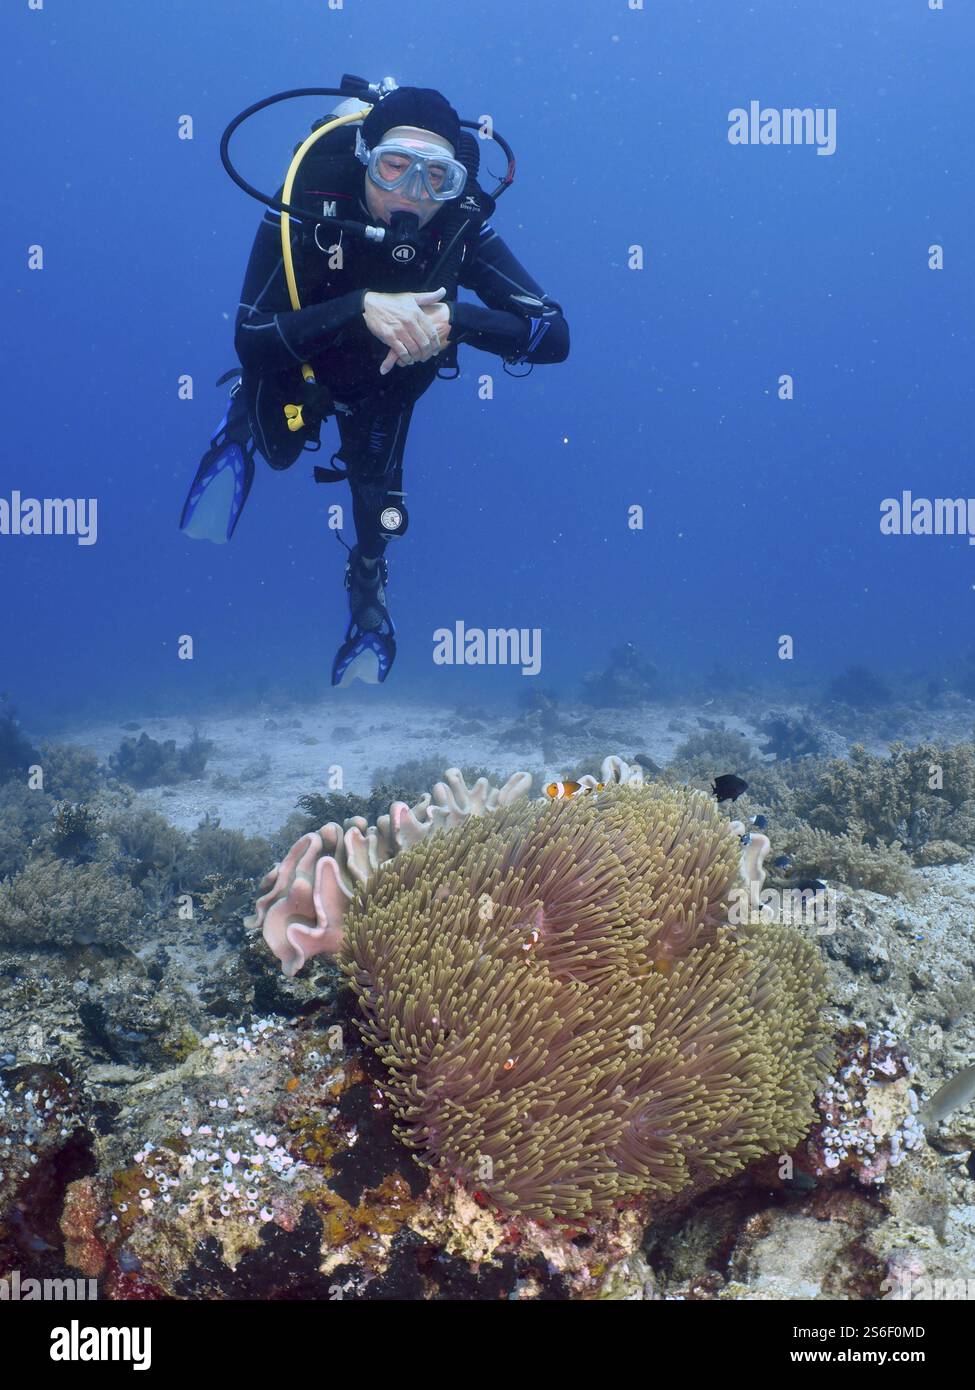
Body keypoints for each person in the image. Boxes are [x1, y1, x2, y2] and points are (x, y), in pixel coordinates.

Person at [190, 85, 569, 686]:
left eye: (436, 176)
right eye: (395, 166)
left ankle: (367, 584)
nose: (411, 194)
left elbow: (553, 335)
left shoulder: (459, 225)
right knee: (279, 448)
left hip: (388, 387)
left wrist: (460, 320)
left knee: (379, 510)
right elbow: (252, 334)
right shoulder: (307, 198)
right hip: (301, 364)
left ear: (457, 180)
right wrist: (359, 306)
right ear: (365, 155)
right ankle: (240, 420)